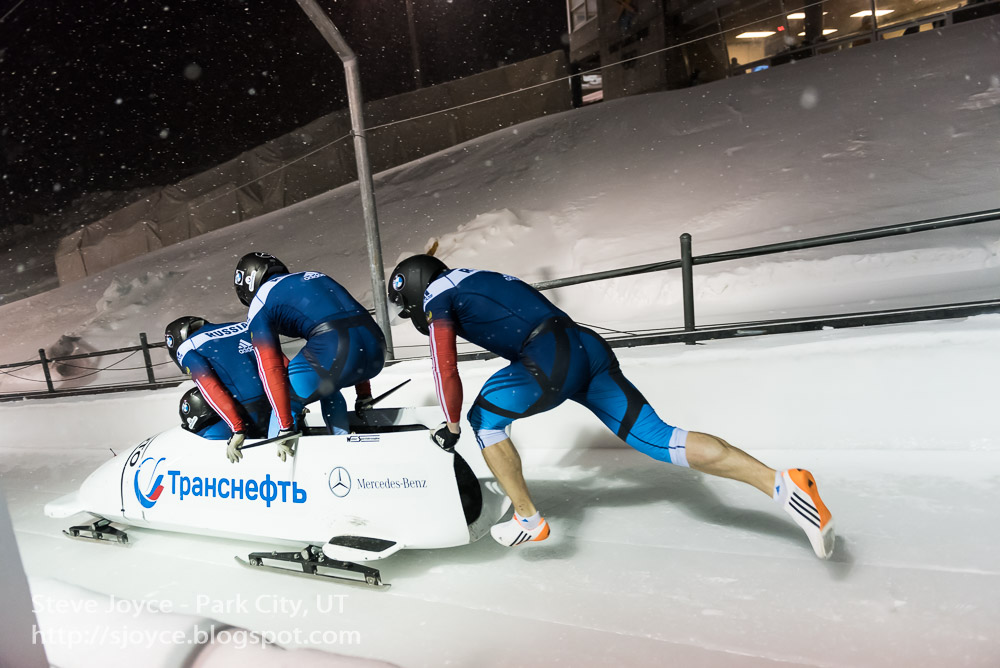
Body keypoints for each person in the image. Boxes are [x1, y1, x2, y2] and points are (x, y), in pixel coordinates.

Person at [387, 255, 836, 559]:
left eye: (410, 306)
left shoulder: (437, 296)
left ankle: (529, 518)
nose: (417, 314)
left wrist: (449, 423)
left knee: (483, 420)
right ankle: (783, 484)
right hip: (585, 346)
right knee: (661, 439)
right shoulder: (476, 277)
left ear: (416, 289)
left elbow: (444, 365)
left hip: (547, 354)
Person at [234, 252, 385, 460]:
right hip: (376, 345)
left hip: (337, 349)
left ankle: (273, 471)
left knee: (289, 395)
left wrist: (285, 426)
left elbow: (269, 367)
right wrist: (364, 393)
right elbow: (351, 322)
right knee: (326, 384)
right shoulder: (314, 275)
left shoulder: (260, 300)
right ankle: (342, 443)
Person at [165, 316, 271, 463]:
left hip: (248, 412)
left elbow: (210, 387)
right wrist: (293, 399)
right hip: (278, 401)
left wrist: (237, 428)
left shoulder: (187, 348)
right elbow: (276, 361)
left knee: (263, 462)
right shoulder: (242, 326)